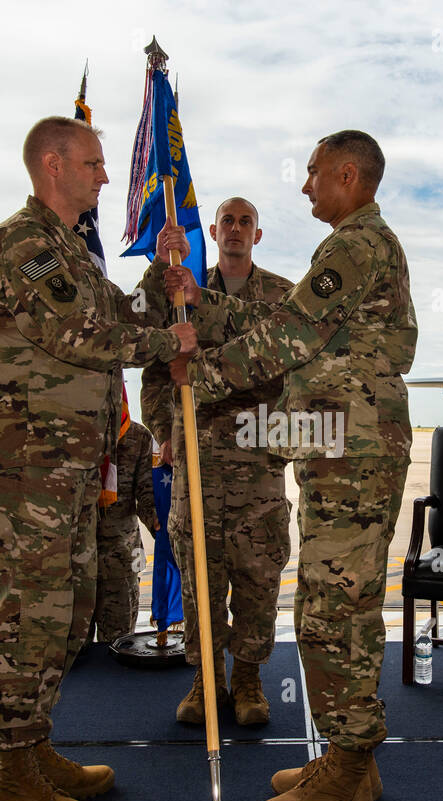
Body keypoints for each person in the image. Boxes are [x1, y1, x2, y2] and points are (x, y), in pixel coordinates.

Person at [164, 130, 416, 801]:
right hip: (342, 448)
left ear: (345, 174)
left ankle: (345, 767)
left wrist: (202, 378)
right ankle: (349, 764)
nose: (306, 186)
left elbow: (287, 339)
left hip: (352, 452)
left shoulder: (354, 245)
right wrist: (203, 304)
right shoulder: (356, 245)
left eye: (312, 174)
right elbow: (287, 322)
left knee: (336, 611)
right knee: (332, 607)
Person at [0, 115, 195, 801]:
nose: (105, 176)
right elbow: (77, 336)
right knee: (31, 613)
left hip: (68, 463)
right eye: (94, 164)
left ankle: (33, 750)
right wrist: (168, 341)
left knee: (68, 608)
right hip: (29, 460)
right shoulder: (23, 246)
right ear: (53, 164)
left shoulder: (68, 251)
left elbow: (112, 313)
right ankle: (12, 779)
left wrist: (159, 280)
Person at [140, 197, 294, 726]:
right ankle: (207, 681)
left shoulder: (282, 298)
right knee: (199, 573)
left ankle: (249, 680)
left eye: (245, 221)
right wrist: (164, 431)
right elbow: (158, 372)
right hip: (197, 461)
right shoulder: (181, 293)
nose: (234, 229)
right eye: (226, 221)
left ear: (258, 234)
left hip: (258, 461)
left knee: (258, 574)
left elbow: (289, 366)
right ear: (212, 229)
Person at [89, 381, 159, 645]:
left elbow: (147, 493)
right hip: (74, 561)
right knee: (74, 652)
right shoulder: (75, 437)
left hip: (121, 559)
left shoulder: (138, 438)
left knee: (118, 645)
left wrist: (160, 523)